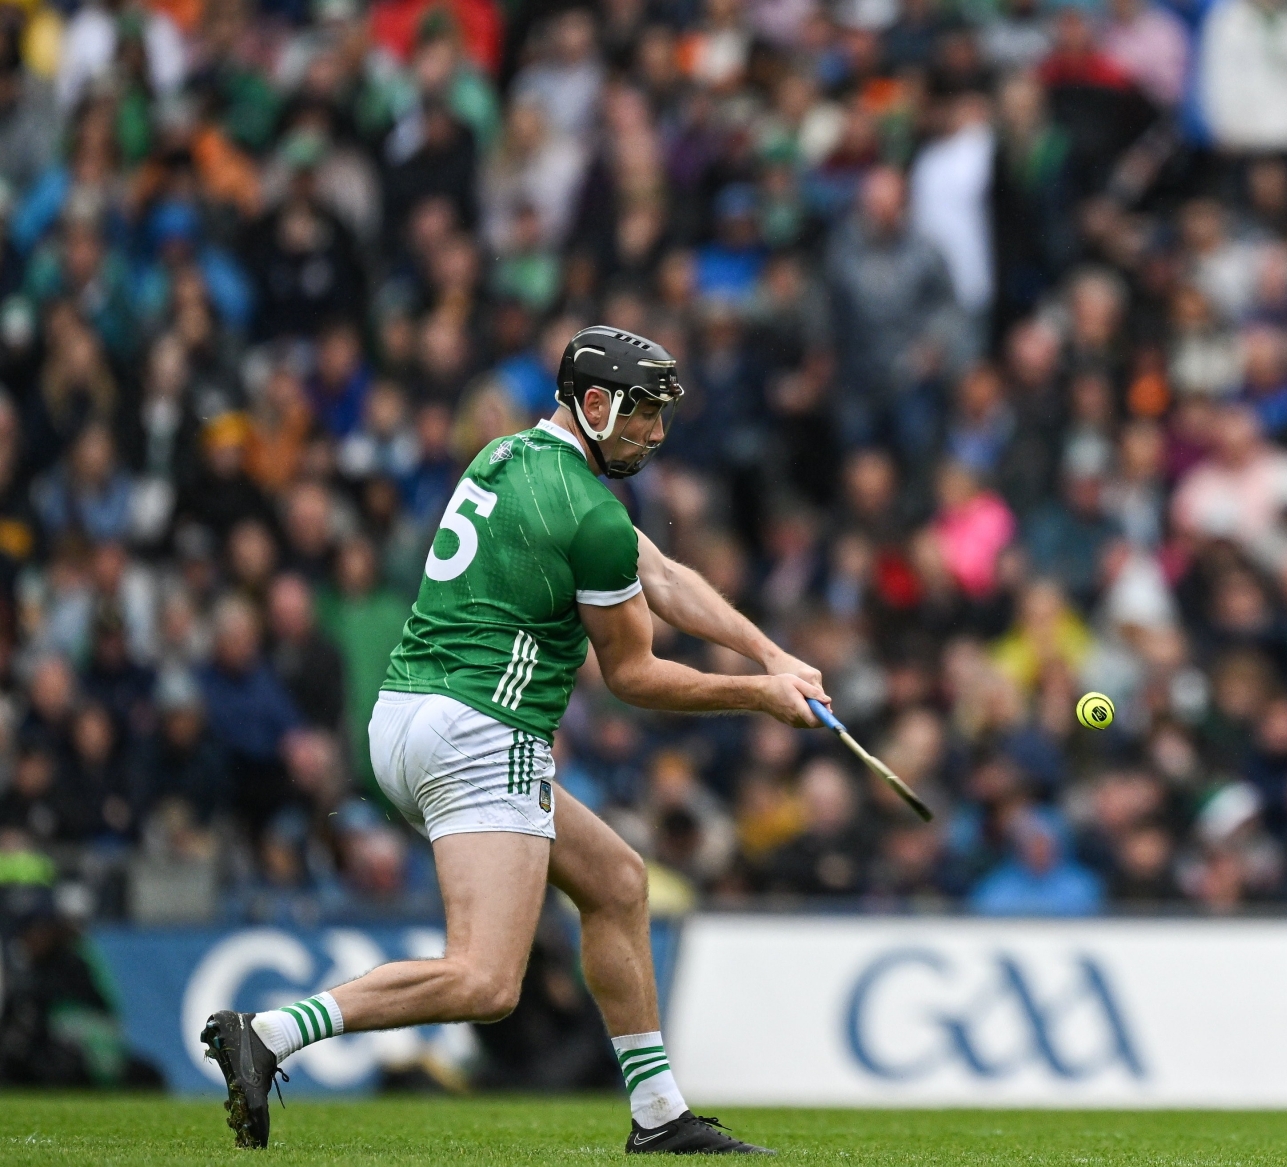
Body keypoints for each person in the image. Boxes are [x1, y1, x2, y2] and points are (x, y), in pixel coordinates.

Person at [200, 327, 829, 1154]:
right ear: (594, 404)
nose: (656, 433)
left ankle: (659, 1114)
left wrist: (773, 651)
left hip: (407, 713)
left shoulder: (509, 456)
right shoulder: (590, 513)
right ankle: (273, 1031)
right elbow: (633, 675)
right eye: (641, 414)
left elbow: (665, 575)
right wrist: (760, 697)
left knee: (616, 880)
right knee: (487, 979)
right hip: (481, 728)